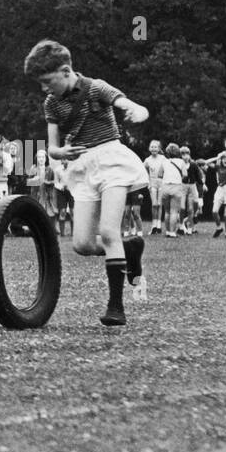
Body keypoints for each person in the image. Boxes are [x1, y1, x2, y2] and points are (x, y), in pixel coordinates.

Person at [24, 38, 149, 326]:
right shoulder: (52, 103)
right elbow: (52, 146)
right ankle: (129, 248)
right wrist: (60, 154)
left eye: (47, 80)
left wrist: (137, 111)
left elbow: (125, 102)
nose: (44, 88)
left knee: (107, 231)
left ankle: (116, 306)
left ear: (66, 70)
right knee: (81, 244)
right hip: (82, 168)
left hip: (112, 161)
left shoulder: (95, 87)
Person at [159, 143, 188, 238]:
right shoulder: (181, 162)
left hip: (165, 187)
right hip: (176, 187)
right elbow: (185, 175)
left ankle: (167, 231)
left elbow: (160, 174)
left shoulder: (164, 162)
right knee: (174, 211)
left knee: (167, 211)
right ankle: (172, 232)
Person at [143, 141, 166, 235]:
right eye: (152, 147)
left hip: (161, 183)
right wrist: (147, 182)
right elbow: (143, 172)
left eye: (155, 147)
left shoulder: (163, 158)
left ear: (159, 148)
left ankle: (159, 225)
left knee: (160, 204)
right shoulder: (147, 160)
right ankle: (154, 225)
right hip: (152, 183)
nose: (153, 149)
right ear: (149, 148)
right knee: (154, 204)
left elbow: (167, 170)